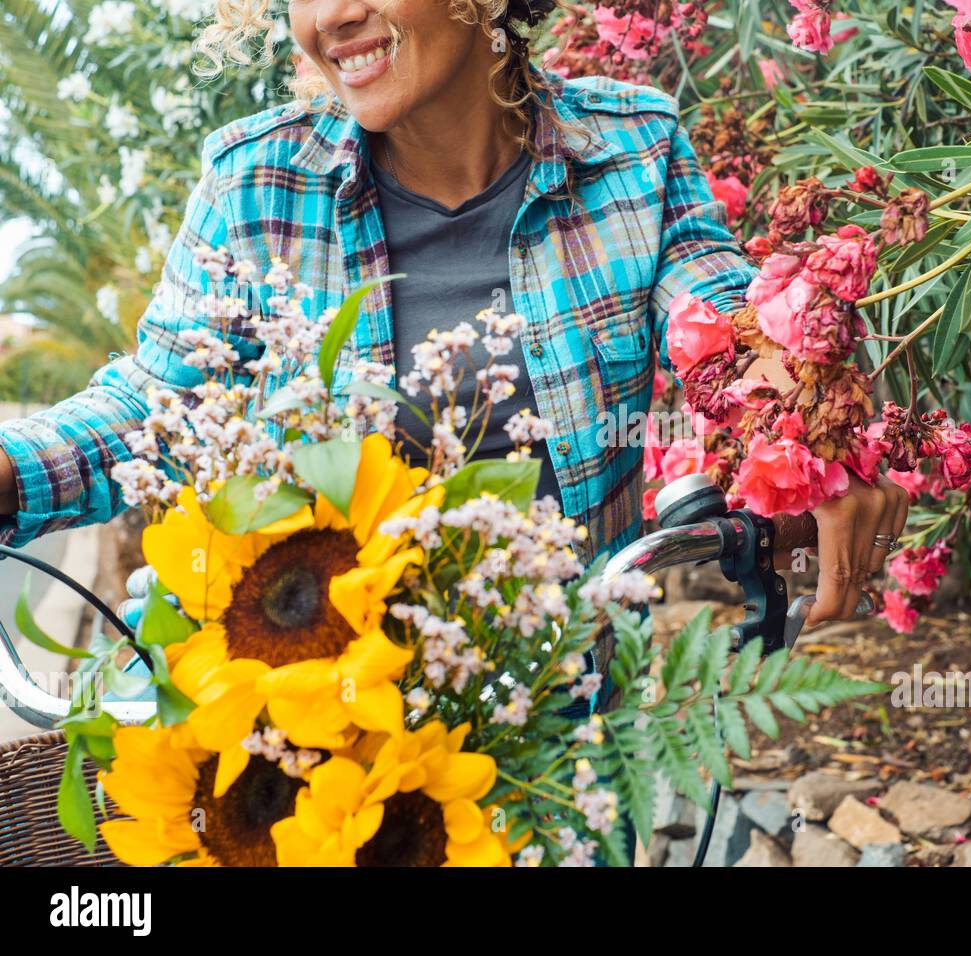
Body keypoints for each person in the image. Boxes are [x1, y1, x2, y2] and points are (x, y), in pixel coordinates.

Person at [0, 0, 907, 657]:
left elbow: (730, 327)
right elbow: (156, 407)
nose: (333, 18)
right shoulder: (256, 183)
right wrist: (9, 472)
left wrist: (812, 440)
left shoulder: (634, 149)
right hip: (322, 703)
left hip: (569, 710)